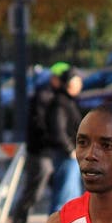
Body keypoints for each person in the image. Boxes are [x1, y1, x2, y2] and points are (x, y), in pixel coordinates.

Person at [8, 61, 70, 223]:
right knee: (34, 192)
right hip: (42, 153)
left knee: (59, 194)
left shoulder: (53, 95)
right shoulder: (45, 96)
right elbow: (42, 126)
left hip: (50, 153)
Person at [46, 67, 83, 214]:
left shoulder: (68, 101)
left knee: (71, 197)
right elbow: (58, 130)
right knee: (65, 198)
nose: (80, 85)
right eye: (77, 81)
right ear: (69, 83)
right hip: (66, 156)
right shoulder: (60, 102)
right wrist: (70, 150)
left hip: (70, 155)